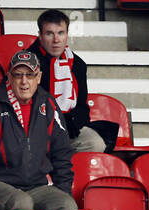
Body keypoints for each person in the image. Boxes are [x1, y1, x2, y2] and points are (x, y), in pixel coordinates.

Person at [0, 50, 76, 210]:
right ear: (9, 77)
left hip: (37, 185)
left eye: (30, 75)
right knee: (22, 203)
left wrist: (63, 190)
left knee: (66, 206)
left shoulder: (48, 104)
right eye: (18, 75)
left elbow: (62, 153)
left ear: (38, 77)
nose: (24, 82)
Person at [28, 9, 108, 153]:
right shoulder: (27, 61)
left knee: (95, 144)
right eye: (49, 34)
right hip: (34, 127)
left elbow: (82, 107)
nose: (56, 40)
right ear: (40, 36)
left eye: (60, 33)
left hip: (67, 126)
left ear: (67, 34)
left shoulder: (78, 64)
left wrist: (72, 123)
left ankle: (65, 171)